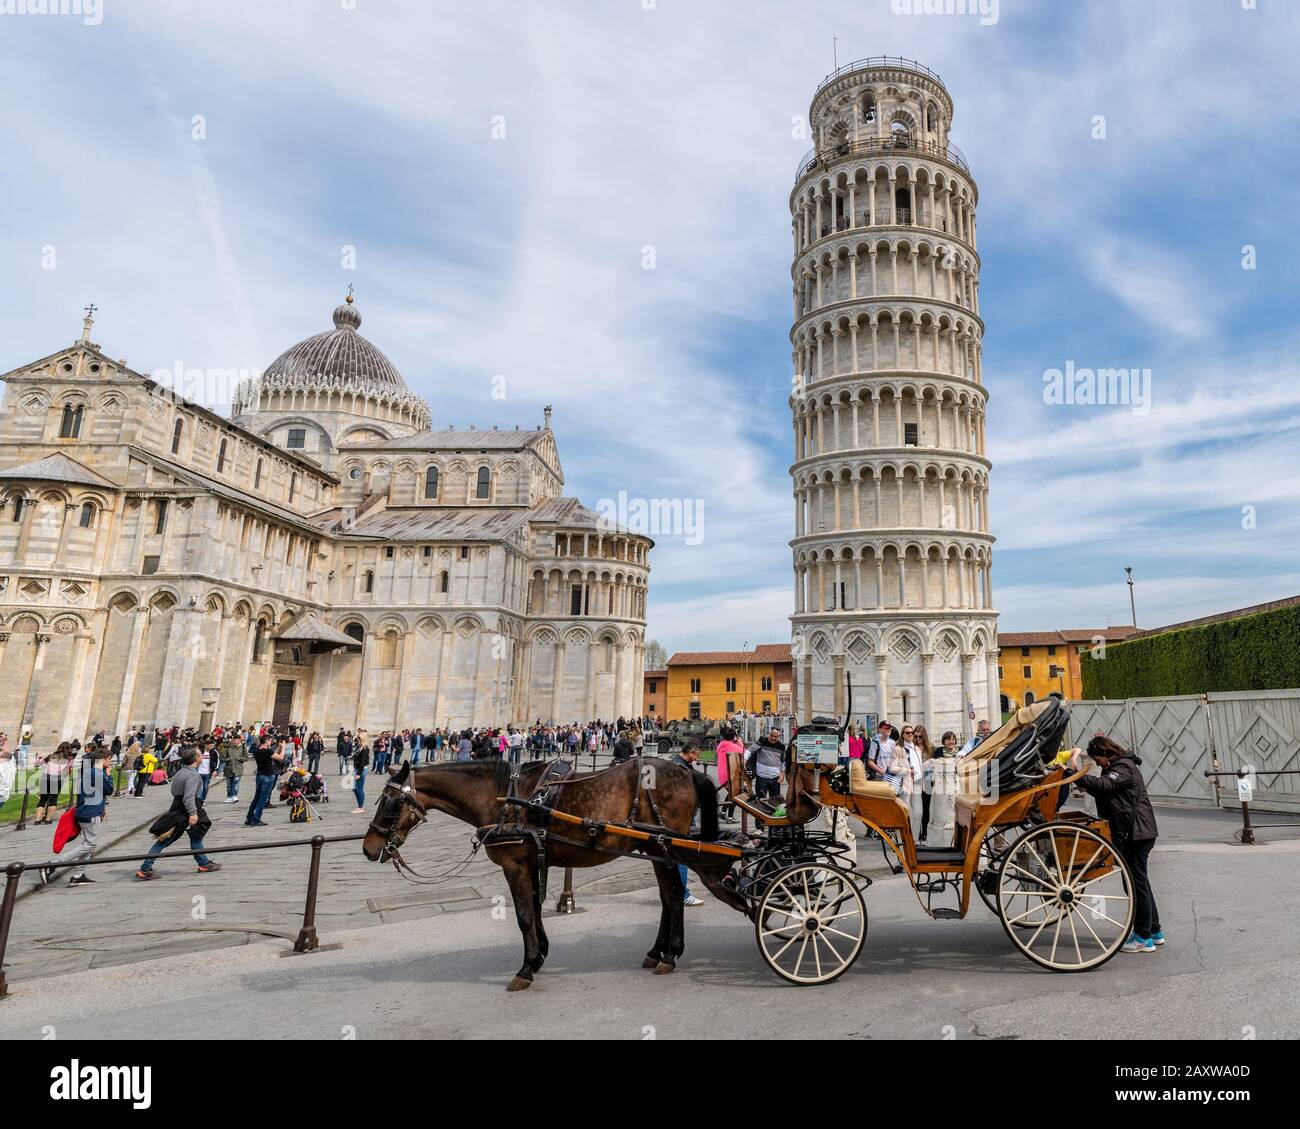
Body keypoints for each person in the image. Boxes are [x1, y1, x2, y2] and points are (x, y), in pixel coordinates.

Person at [1070, 735, 1163, 953]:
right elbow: (1103, 790)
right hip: (1136, 831)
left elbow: (1105, 785)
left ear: (1105, 753)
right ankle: (1154, 930)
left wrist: (1073, 773)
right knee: (1140, 882)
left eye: (1097, 759)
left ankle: (1143, 937)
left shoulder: (1123, 767)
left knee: (1135, 883)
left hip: (1136, 832)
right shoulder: (1119, 765)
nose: (1098, 763)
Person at [135, 747, 223, 880]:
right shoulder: (193, 775)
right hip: (187, 809)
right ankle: (145, 869)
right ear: (195, 759)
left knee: (195, 835)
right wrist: (193, 813)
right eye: (200, 754)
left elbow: (174, 791)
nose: (202, 756)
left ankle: (203, 863)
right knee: (165, 840)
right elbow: (188, 797)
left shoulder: (180, 772)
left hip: (178, 807)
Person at [37, 747, 114, 888]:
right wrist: (108, 775)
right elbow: (109, 789)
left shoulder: (85, 772)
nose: (110, 763)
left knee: (89, 845)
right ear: (103, 760)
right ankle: (52, 865)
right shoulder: (98, 773)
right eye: (109, 760)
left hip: (85, 810)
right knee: (90, 844)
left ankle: (78, 876)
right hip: (91, 813)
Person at [670, 744, 705, 907]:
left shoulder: (678, 763)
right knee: (681, 857)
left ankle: (674, 891)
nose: (697, 758)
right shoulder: (679, 768)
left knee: (675, 858)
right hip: (679, 819)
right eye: (696, 755)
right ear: (690, 752)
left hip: (677, 818)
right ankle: (683, 894)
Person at [244, 737, 284, 826]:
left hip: (259, 776)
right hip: (268, 776)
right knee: (263, 799)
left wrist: (280, 747)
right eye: (270, 740)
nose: (271, 742)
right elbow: (280, 757)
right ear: (266, 741)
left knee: (256, 798)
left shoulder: (257, 751)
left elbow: (274, 754)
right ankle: (256, 819)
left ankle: (249, 818)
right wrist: (284, 746)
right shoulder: (268, 751)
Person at [713, 726, 743, 824]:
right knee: (734, 795)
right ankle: (729, 817)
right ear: (734, 737)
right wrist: (740, 743)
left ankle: (723, 812)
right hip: (730, 774)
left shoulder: (721, 744)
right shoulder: (732, 746)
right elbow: (742, 753)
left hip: (722, 774)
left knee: (731, 794)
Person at [221, 732, 248, 804]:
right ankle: (229, 797)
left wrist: (240, 759)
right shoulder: (228, 747)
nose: (236, 742)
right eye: (234, 740)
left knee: (236, 782)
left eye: (237, 740)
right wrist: (228, 759)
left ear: (240, 740)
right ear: (232, 740)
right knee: (229, 784)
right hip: (228, 768)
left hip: (238, 768)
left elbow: (246, 758)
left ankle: (234, 796)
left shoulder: (242, 747)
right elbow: (222, 758)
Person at [349, 738, 371, 813]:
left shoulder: (365, 748)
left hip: (361, 770)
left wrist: (358, 773)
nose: (357, 739)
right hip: (356, 768)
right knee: (354, 788)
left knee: (359, 788)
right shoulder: (359, 747)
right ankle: (359, 806)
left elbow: (362, 762)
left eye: (358, 738)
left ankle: (360, 807)